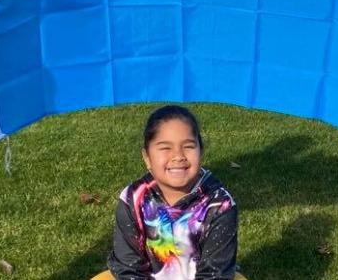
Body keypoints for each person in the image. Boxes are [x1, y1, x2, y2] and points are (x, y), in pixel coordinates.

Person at [96, 105, 245, 280]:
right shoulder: (133, 199)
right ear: (147, 157)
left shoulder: (220, 206)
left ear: (201, 150)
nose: (178, 156)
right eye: (165, 148)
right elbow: (127, 267)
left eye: (188, 146)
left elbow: (215, 274)